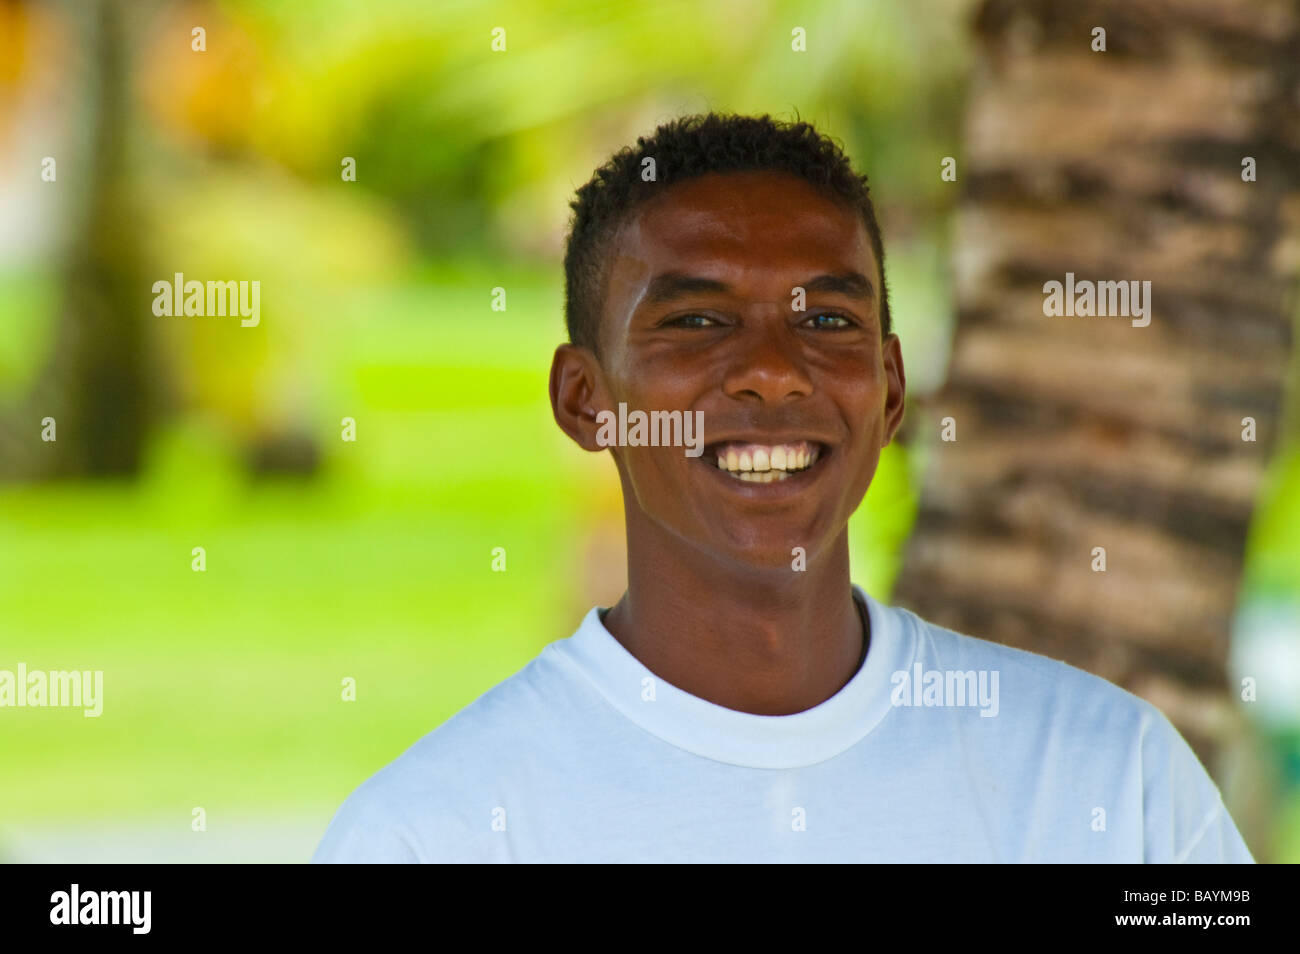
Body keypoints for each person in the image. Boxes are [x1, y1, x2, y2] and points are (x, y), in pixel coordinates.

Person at [313, 113, 1253, 862]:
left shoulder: (1104, 778)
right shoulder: (434, 833)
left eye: (829, 318)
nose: (772, 370)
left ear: (888, 390)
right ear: (584, 400)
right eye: (696, 319)